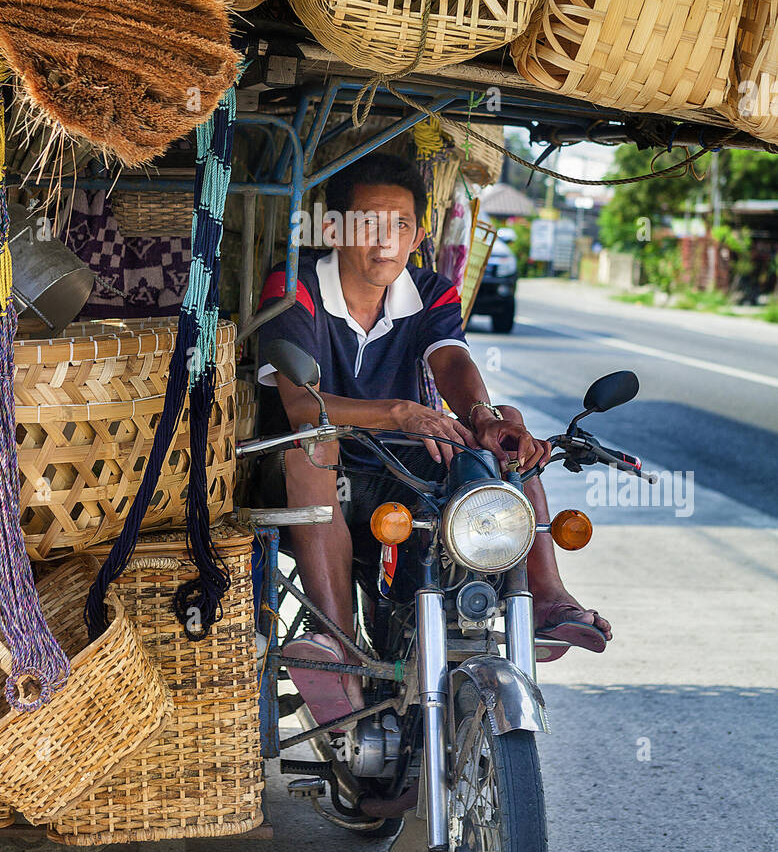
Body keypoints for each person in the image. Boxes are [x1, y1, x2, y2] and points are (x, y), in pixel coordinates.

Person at [252, 151, 611, 726]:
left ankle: (547, 598)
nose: (385, 241)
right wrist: (400, 412)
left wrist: (485, 417)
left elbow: (451, 363)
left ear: (419, 234)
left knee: (507, 434)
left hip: (403, 468)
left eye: (400, 226)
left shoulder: (432, 291)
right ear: (332, 229)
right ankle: (337, 647)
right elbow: (303, 406)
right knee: (312, 442)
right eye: (367, 224)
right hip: (318, 472)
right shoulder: (294, 285)